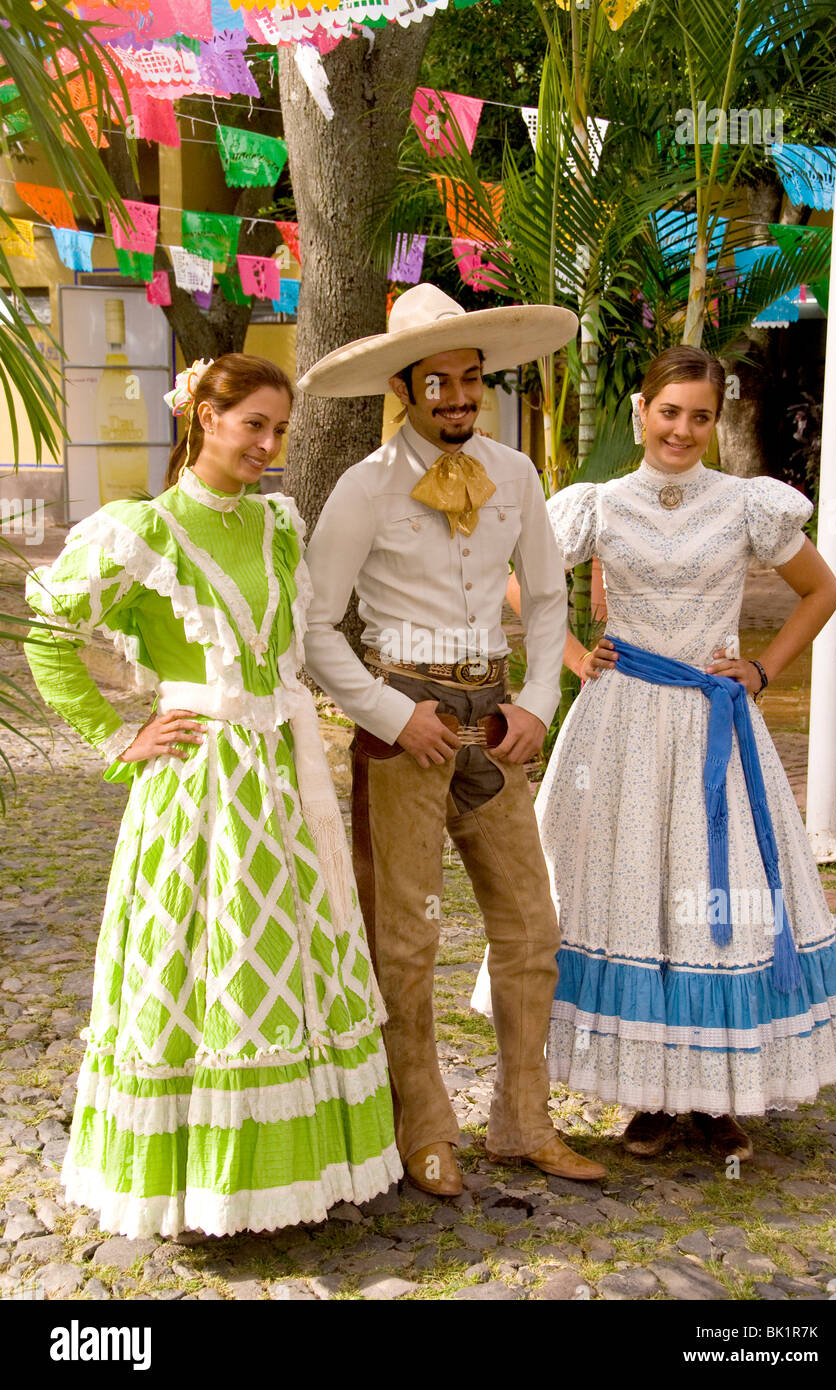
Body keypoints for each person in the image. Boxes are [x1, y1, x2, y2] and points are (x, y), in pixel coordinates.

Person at [25, 353, 400, 1238]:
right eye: (252, 426)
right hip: (198, 784)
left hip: (279, 772)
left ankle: (295, 1176)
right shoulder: (141, 530)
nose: (268, 445)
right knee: (201, 958)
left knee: (281, 949)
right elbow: (48, 633)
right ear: (202, 417)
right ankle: (198, 1187)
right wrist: (122, 738)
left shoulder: (275, 523)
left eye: (279, 429)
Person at [476, 344, 836, 1162]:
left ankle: (718, 1096)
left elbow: (823, 590)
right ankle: (647, 1097)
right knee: (627, 890)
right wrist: (576, 656)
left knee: (717, 902)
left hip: (715, 725)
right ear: (639, 413)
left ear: (714, 423)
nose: (682, 429)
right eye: (669, 411)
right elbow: (515, 575)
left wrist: (760, 669)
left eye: (699, 415)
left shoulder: (748, 505)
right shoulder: (600, 505)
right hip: (619, 723)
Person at [297, 283, 606, 1196]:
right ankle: (423, 1125)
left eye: (472, 379)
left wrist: (540, 704)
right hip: (407, 731)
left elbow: (549, 602)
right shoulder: (363, 489)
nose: (461, 397)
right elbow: (316, 628)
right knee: (409, 938)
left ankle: (522, 1119)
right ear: (406, 387)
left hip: (496, 725)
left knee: (531, 927)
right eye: (441, 382)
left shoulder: (517, 477)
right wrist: (393, 715)